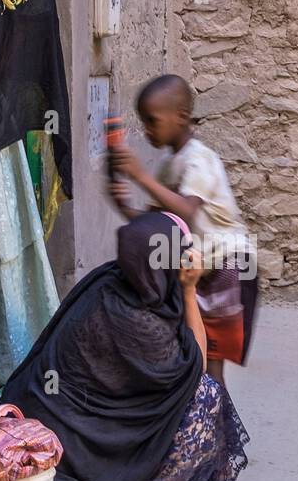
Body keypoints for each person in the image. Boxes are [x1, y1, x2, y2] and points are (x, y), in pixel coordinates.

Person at [1, 211, 249, 481]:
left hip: (63, 411)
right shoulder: (138, 322)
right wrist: (190, 291)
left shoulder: (119, 279)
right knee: (206, 396)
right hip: (72, 435)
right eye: (185, 248)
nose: (192, 255)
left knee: (193, 396)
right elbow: (197, 368)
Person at [108, 75, 257, 386]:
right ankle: (201, 423)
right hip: (200, 271)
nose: (147, 130)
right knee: (195, 354)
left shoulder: (200, 159)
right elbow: (158, 221)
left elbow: (186, 211)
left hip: (228, 267)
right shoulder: (168, 165)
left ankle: (215, 428)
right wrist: (124, 206)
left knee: (210, 364)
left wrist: (139, 177)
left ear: (181, 117)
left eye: (152, 121)